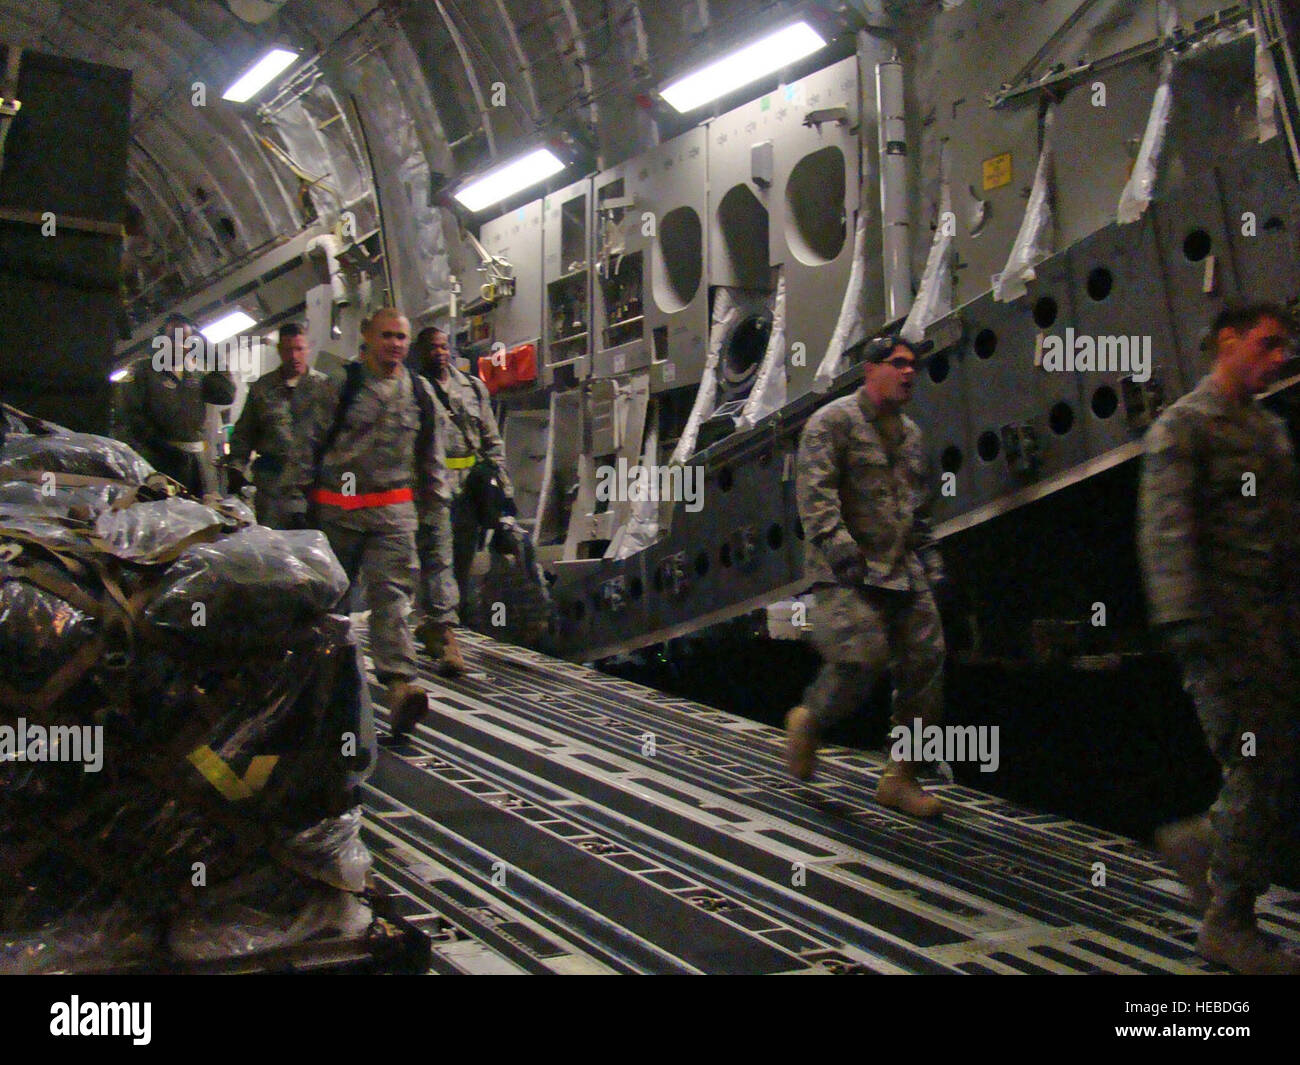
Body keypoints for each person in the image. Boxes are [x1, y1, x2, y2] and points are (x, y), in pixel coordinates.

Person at [1138, 302, 1300, 975]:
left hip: (1272, 634)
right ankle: (1227, 921)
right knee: (1255, 767)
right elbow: (1167, 533)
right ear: (1227, 343)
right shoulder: (1184, 426)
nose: (1282, 357)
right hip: (1221, 635)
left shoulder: (1267, 429)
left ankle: (1202, 844)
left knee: (1278, 767)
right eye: (1268, 344)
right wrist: (1189, 630)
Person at [784, 335, 946, 818]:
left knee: (927, 665)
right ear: (870, 369)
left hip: (901, 569)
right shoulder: (831, 423)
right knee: (859, 660)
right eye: (898, 364)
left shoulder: (911, 435)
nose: (909, 372)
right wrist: (839, 550)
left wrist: (931, 559)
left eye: (913, 365)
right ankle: (811, 719)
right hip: (846, 570)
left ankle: (901, 778)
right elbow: (815, 494)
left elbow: (915, 507)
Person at [306, 308, 447, 738]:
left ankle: (401, 687)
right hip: (339, 516)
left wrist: (436, 508)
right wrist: (292, 505)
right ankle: (318, 689)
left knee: (392, 601)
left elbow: (431, 456)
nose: (396, 345)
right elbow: (307, 444)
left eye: (402, 338)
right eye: (387, 336)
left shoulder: (419, 392)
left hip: (393, 517)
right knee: (330, 606)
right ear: (367, 337)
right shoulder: (341, 387)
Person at [411, 326, 516, 675]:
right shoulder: (413, 389)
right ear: (422, 352)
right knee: (436, 557)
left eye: (444, 347)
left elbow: (491, 439)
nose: (440, 353)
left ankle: (434, 624)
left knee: (461, 559)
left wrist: (503, 490)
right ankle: (444, 635)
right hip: (433, 487)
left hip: (470, 486)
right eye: (433, 348)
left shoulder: (472, 388)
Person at [226, 323, 334, 528]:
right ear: (279, 351)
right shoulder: (263, 388)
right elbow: (244, 432)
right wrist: (236, 469)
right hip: (272, 485)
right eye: (288, 350)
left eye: (299, 349)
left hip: (313, 484)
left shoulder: (325, 387)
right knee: (275, 547)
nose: (294, 356)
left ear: (308, 349)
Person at [118, 313, 236, 497]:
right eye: (173, 338)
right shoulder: (143, 371)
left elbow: (227, 395)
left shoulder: (197, 374)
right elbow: (129, 418)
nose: (179, 345)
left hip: (195, 464)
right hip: (157, 461)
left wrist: (212, 354)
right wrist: (159, 447)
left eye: (186, 340)